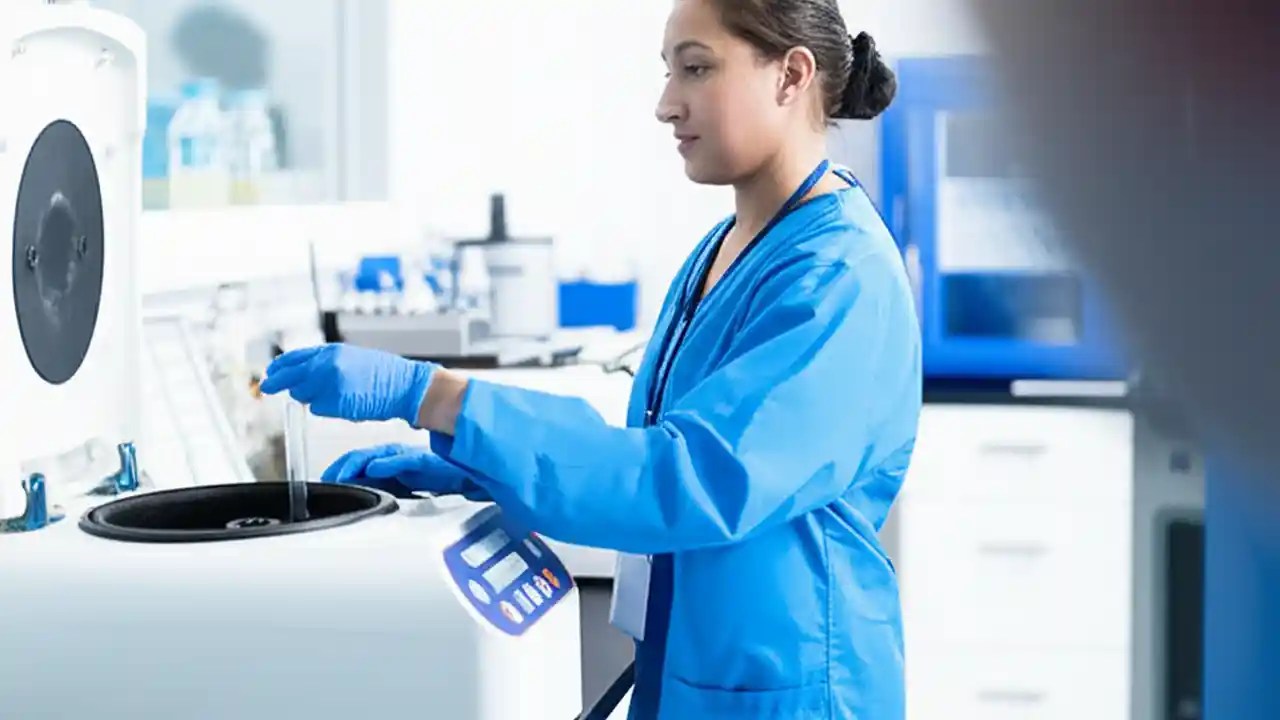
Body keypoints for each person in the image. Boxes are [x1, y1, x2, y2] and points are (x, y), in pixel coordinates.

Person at [260, 0, 920, 717]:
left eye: (696, 69)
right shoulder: (729, 249)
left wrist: (435, 395)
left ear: (791, 75)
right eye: (669, 73)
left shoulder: (838, 275)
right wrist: (485, 466)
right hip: (701, 667)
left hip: (791, 689)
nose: (668, 105)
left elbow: (688, 479)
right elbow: (652, 449)